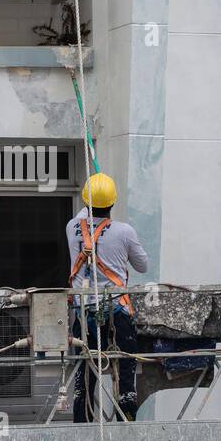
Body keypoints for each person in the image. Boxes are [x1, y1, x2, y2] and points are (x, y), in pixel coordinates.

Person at [67, 173, 149, 422]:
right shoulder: (124, 232)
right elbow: (143, 266)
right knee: (125, 358)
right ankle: (126, 404)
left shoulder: (72, 228)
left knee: (85, 364)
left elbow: (84, 216)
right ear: (113, 203)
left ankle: (81, 413)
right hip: (116, 312)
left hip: (84, 312)